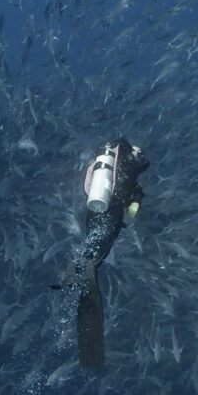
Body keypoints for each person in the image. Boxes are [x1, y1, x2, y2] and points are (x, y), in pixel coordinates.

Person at [61, 138, 149, 370]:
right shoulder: (132, 179)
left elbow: (87, 186)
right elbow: (132, 213)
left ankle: (77, 269)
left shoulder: (105, 163)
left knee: (92, 241)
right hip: (113, 211)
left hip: (95, 207)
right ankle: (89, 271)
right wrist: (135, 201)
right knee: (102, 246)